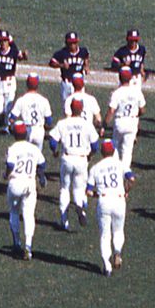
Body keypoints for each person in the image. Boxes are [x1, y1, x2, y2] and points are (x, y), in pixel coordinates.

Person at [85, 139, 134, 275]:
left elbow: (88, 191)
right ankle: (117, 252)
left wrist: (97, 194)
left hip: (104, 200)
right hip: (119, 199)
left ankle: (107, 265)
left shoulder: (95, 168)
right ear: (113, 151)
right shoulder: (120, 164)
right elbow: (131, 179)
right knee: (118, 230)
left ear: (102, 152)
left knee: (105, 235)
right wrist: (126, 191)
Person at [50, 96, 97, 231]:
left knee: (65, 188)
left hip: (67, 157)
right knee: (78, 188)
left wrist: (55, 151)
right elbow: (95, 145)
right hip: (81, 158)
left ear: (70, 108)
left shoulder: (62, 123)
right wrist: (90, 156)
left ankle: (64, 221)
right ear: (81, 109)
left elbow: (52, 141)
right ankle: (79, 206)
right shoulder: (87, 124)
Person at [3, 122, 47, 260]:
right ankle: (28, 246)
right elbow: (42, 164)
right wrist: (41, 176)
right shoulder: (33, 148)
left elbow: (10, 165)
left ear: (15, 134)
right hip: (29, 183)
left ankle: (17, 242)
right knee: (29, 215)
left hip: (15, 182)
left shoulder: (13, 148)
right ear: (25, 133)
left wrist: (6, 174)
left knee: (14, 212)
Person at [0, 30, 25, 130]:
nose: (3, 43)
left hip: (10, 82)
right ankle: (3, 117)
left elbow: (22, 57)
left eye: (5, 41)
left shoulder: (13, 52)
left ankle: (7, 127)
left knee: (8, 107)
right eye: (1, 41)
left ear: (8, 41)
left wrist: (24, 55)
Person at [106, 66, 146, 167]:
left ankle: (114, 169)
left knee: (115, 147)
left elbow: (111, 110)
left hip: (120, 121)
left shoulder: (117, 93)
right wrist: (137, 115)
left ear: (119, 78)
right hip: (132, 122)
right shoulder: (137, 91)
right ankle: (125, 173)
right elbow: (142, 110)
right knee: (127, 151)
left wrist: (104, 124)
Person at [9, 73, 54, 148]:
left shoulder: (22, 100)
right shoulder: (43, 100)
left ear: (27, 84)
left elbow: (12, 118)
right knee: (37, 156)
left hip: (26, 130)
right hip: (39, 130)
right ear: (37, 85)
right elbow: (49, 121)